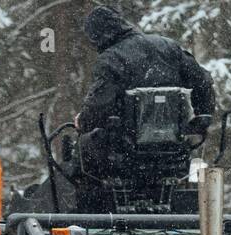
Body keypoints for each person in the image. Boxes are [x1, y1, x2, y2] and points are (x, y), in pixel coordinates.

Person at [76, 6, 216, 143]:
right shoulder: (168, 46)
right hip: (174, 149)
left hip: (125, 152)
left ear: (96, 36)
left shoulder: (110, 59)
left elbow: (100, 104)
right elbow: (202, 80)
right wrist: (202, 116)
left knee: (82, 150)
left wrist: (83, 121)